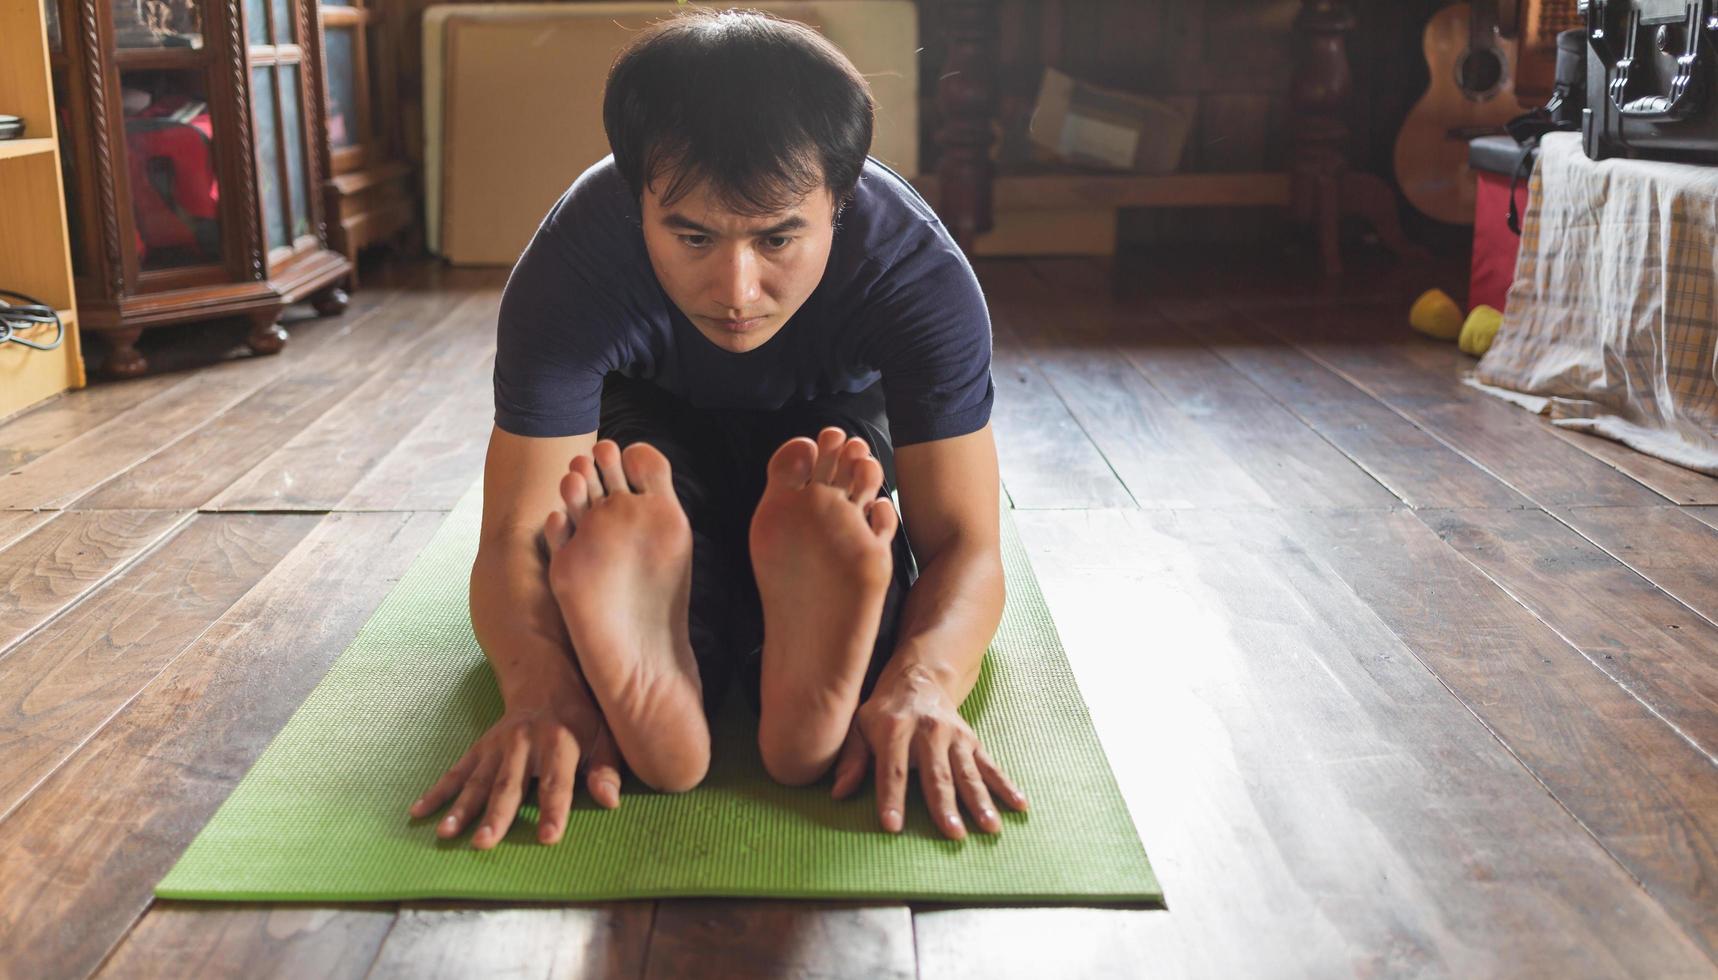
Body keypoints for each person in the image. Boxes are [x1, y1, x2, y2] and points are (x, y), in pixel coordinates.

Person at [408, 8, 1027, 849]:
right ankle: (675, 669)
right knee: (613, 508)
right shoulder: (572, 267)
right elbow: (516, 535)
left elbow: (967, 543)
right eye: (692, 236)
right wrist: (540, 690)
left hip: (829, 435)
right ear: (638, 202)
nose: (737, 289)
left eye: (778, 239)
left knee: (862, 529)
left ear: (841, 201)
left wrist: (921, 685)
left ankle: (802, 659)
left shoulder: (916, 273)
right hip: (652, 437)